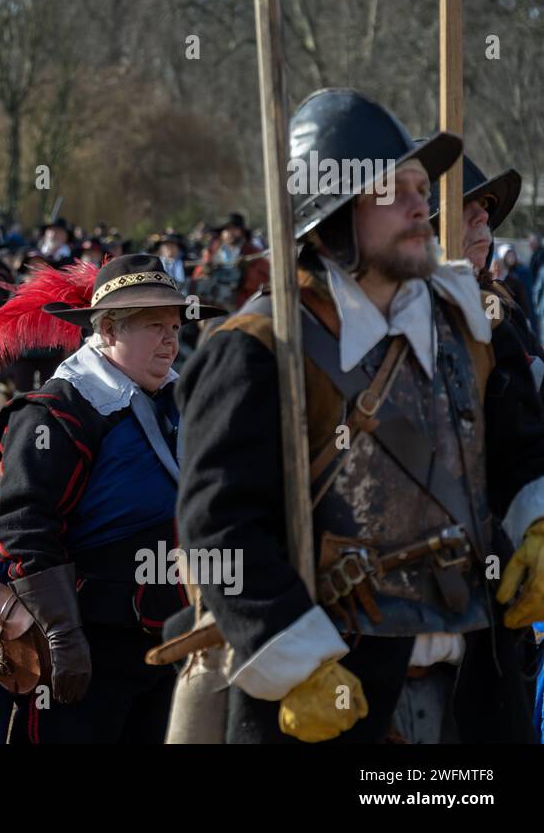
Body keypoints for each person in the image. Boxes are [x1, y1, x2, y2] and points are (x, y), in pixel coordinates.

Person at [173, 89, 544, 744]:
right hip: (329, 701)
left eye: (419, 185)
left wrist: (536, 525)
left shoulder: (472, 324)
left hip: (476, 696)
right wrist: (297, 659)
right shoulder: (257, 349)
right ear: (332, 215)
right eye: (392, 189)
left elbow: (519, 453)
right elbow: (221, 529)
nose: (420, 204)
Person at [0, 255, 223, 743]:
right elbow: (24, 525)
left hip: (175, 628)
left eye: (175, 325)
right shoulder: (57, 411)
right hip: (90, 636)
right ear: (107, 329)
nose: (172, 339)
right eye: (154, 326)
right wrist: (63, 635)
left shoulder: (182, 401)